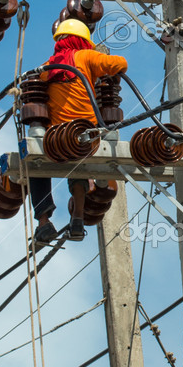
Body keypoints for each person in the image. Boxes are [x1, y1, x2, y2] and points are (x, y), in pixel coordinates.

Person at [31, 18, 127, 245]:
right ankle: (77, 218)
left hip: (56, 140)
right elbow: (119, 63)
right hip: (86, 138)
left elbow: (33, 85)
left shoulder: (49, 66)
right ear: (83, 40)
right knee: (80, 162)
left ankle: (43, 223)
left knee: (36, 166)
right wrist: (101, 68)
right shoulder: (85, 57)